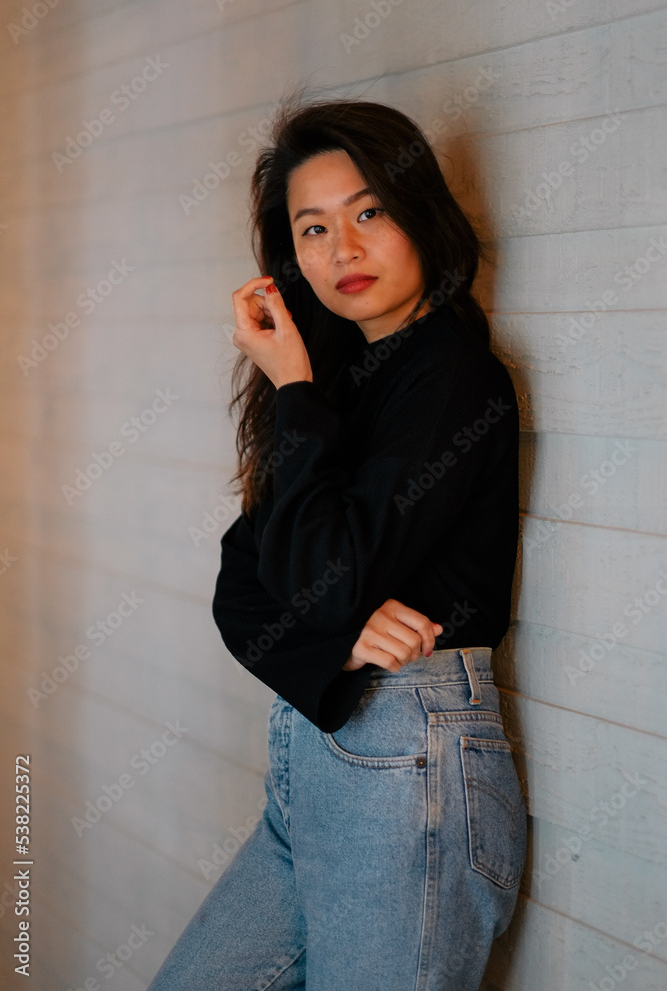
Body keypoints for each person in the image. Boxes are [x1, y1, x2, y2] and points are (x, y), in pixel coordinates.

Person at [147, 91, 527, 991]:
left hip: (407, 758)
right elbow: (242, 586)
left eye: (368, 212)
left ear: (419, 216)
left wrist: (293, 393)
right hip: (315, 758)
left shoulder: (450, 377)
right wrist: (337, 633)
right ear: (289, 257)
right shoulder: (336, 384)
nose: (343, 249)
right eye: (311, 229)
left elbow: (323, 573)